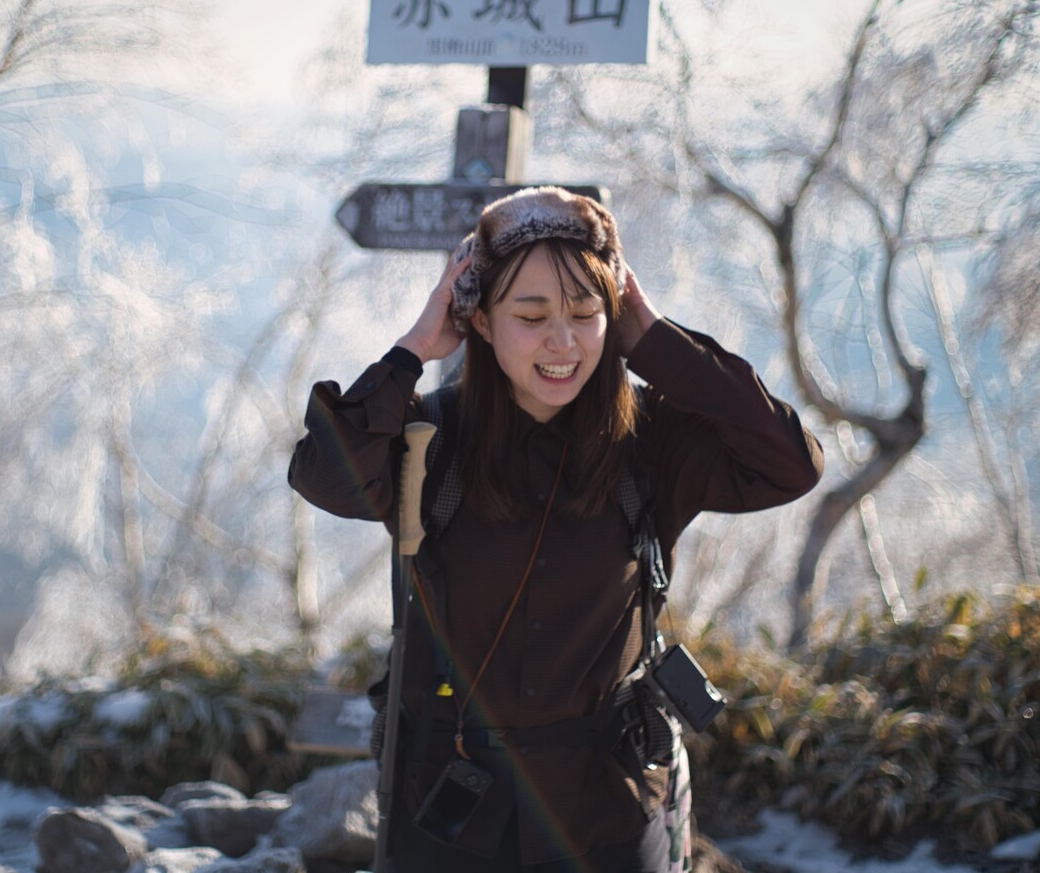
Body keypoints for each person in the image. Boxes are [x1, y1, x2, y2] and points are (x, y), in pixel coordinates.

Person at [289, 187, 824, 872]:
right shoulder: (430, 439)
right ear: (480, 321)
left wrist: (656, 341)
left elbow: (790, 464)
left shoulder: (650, 442)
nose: (562, 342)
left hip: (608, 802)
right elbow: (323, 476)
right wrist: (415, 347)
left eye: (585, 312)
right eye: (531, 315)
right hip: (451, 801)